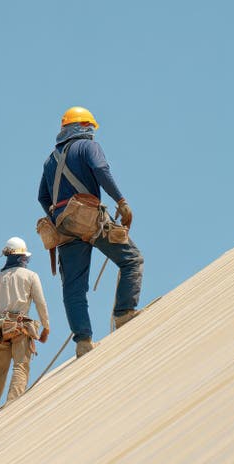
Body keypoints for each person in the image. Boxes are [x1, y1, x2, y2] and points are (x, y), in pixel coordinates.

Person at [38, 106, 144, 358]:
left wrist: (59, 214)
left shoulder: (50, 159)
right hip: (90, 218)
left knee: (73, 288)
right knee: (131, 259)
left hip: (63, 225)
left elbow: (42, 196)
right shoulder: (88, 147)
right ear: (84, 126)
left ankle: (83, 342)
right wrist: (121, 201)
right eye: (90, 127)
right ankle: (124, 313)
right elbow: (101, 171)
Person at [0, 237, 49, 417]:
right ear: (22, 257)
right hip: (18, 326)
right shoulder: (30, 276)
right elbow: (41, 303)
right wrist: (45, 327)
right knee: (20, 366)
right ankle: (12, 407)